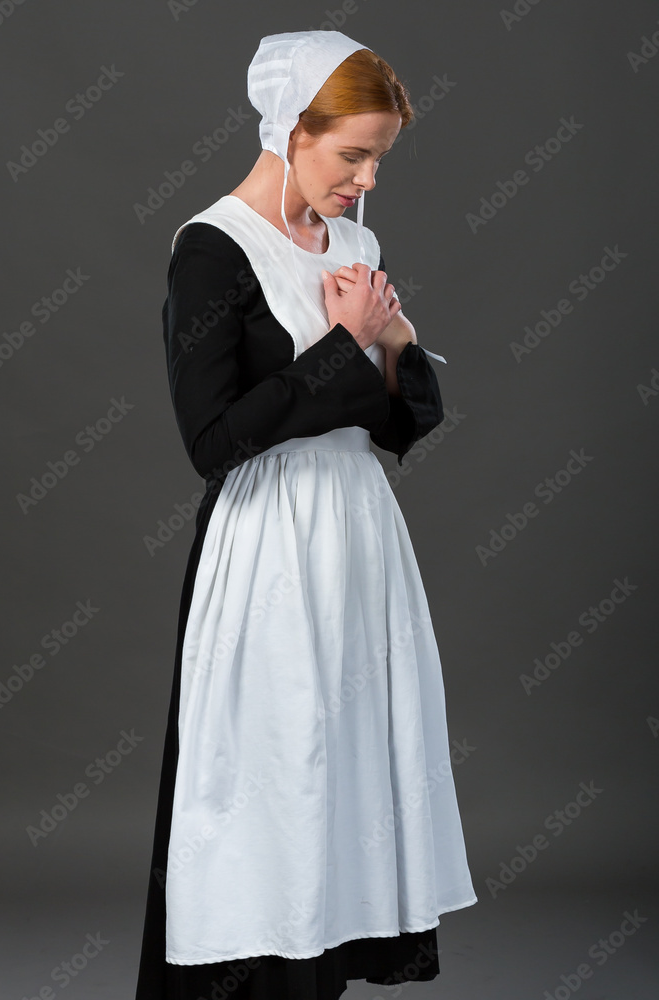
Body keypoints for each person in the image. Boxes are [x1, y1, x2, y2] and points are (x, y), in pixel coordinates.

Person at [135, 29, 477, 1000]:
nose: (365, 180)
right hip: (266, 548)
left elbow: (397, 428)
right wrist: (339, 341)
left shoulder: (354, 243)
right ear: (291, 129)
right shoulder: (211, 249)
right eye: (350, 154)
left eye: (378, 158)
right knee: (274, 777)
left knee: (349, 774)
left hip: (358, 540)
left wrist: (395, 343)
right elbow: (212, 440)